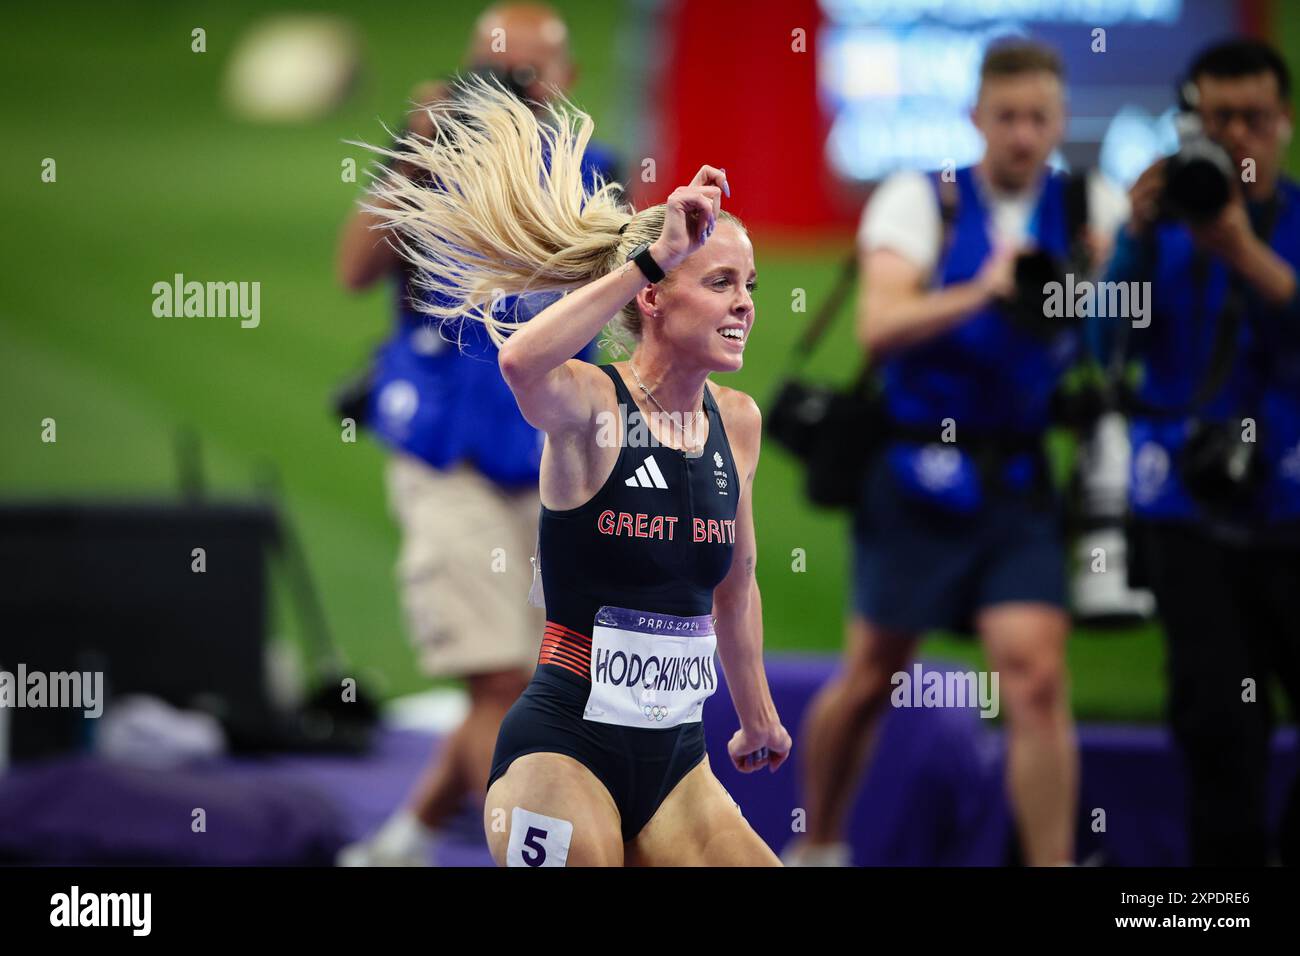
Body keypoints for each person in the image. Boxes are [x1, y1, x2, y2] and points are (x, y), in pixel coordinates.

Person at [370, 76, 792, 866]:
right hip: (561, 754)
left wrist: (758, 714)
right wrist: (648, 259)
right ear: (660, 300)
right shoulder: (595, 407)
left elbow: (737, 582)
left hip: (678, 763)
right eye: (722, 282)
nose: (746, 306)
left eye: (751, 286)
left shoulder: (737, 422)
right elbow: (521, 359)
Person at [790, 40, 1128, 867]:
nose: (1021, 135)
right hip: (914, 475)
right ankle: (820, 846)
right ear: (977, 118)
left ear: (1060, 123)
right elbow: (879, 324)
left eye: (1038, 119)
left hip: (1017, 479)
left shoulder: (1092, 206)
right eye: (1006, 117)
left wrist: (1105, 274)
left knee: (1037, 676)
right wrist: (985, 287)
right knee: (871, 677)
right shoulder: (922, 201)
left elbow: (1121, 336)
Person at [334, 2, 617, 866]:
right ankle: (530, 854)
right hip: (447, 454)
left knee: (551, 681)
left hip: (552, 460)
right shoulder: (429, 160)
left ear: (566, 82)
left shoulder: (592, 177)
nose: (518, 89)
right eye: (500, 70)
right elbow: (354, 268)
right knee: (504, 683)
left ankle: (406, 839)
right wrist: (418, 153)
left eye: (534, 73)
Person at [1107, 37, 1300, 866]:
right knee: (1218, 721)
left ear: (1284, 123)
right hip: (1183, 508)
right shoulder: (1165, 227)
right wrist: (1133, 239)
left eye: (1254, 119)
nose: (1238, 138)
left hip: (1291, 510)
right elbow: (1104, 343)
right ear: (1190, 125)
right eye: (1217, 120)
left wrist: (1242, 251)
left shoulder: (1291, 219)